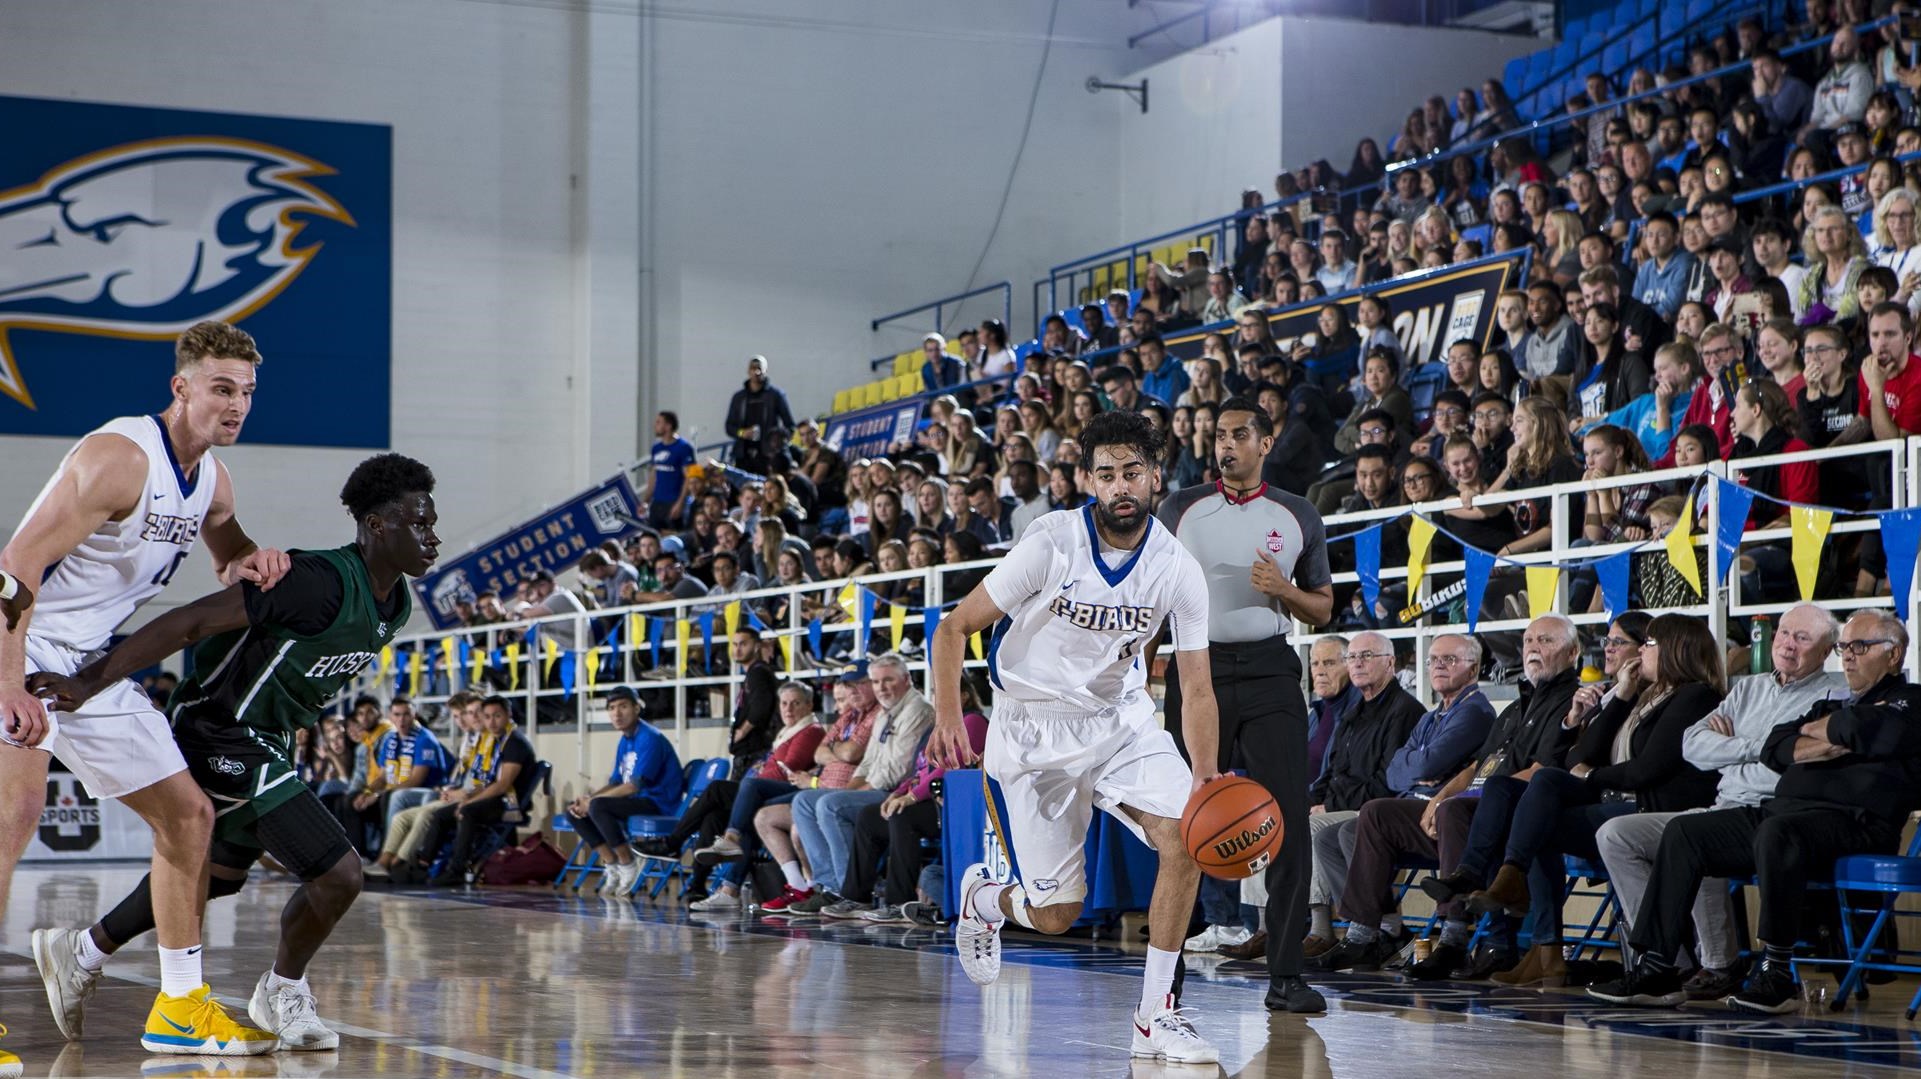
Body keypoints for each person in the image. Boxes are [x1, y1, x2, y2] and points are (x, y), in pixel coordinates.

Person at [28, 453, 439, 1053]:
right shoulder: (317, 580)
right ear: (378, 525)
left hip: (267, 739)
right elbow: (192, 622)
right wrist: (89, 681)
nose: (433, 537)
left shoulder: (395, 603)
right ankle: (281, 990)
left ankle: (83, 949)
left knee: (214, 877)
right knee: (340, 873)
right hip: (220, 732)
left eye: (432, 523)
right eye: (420, 524)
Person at [0, 320, 291, 1059]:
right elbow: (12, 571)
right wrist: (10, 685)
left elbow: (232, 554)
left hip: (90, 667)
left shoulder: (213, 482)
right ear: (181, 387)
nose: (236, 406)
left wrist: (262, 561)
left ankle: (180, 1006)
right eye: (222, 389)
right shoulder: (118, 458)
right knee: (15, 813)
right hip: (19, 644)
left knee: (189, 816)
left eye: (248, 394)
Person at [926, 409, 1228, 1064]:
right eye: (1106, 473)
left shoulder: (1176, 567)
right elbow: (953, 628)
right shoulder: (1050, 541)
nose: (1120, 485)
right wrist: (949, 716)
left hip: (1119, 719)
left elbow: (1197, 687)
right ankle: (983, 897)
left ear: (1154, 477)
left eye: (1132, 472)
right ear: (1088, 479)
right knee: (1058, 913)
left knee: (1186, 837)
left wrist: (1204, 776)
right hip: (1030, 728)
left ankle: (1155, 1017)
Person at [1593, 610, 1921, 1013]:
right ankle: (1659, 968)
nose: (1849, 656)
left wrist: (1821, 733)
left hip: (1855, 821)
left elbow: (1863, 729)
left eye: (1860, 646)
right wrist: (1818, 735)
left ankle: (1777, 972)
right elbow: (1776, 746)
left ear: (1894, 655)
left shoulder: (1910, 701)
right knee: (1686, 831)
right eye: (1845, 647)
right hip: (1782, 812)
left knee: (1778, 832)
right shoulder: (1829, 704)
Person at [1156, 396, 1335, 1013]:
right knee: (1180, 823)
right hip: (1194, 669)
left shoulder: (1299, 513)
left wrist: (1283, 589)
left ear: (1265, 442)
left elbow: (1323, 607)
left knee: (1288, 822)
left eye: (1238, 435)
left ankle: (1286, 976)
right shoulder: (1179, 507)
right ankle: (1166, 981)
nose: (1225, 445)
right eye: (1219, 435)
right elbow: (1151, 593)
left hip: (1268, 670)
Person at [1429, 614, 1723, 988]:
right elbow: (1577, 755)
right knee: (1513, 791)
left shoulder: (1692, 697)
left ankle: (1528, 917)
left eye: (1637, 644)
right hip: (1613, 799)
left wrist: (1592, 774)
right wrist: (1616, 699)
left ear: (1673, 651)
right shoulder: (1636, 694)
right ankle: (1514, 907)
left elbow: (1647, 770)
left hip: (1647, 805)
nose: (1612, 650)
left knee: (1540, 810)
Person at [1320, 615, 1582, 978]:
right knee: (1378, 813)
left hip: (1507, 816)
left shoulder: (1570, 703)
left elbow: (1545, 771)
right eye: (1528, 641)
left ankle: (1454, 940)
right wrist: (1438, 797)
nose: (1534, 648)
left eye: (1546, 641)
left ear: (1573, 652)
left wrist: (1463, 800)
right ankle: (1365, 936)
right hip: (1466, 812)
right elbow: (1474, 767)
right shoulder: (1516, 706)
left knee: (1455, 810)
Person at [1299, 632, 1424, 957]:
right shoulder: (1355, 711)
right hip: (1346, 807)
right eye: (1353, 657)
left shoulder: (1404, 710)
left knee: (1321, 831)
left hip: (1383, 809)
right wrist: (1313, 800)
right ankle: (1383, 928)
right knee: (1286, 818)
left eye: (1366, 656)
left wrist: (1328, 805)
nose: (1357, 664)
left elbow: (1389, 781)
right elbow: (1332, 771)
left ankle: (1349, 930)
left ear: (1391, 663)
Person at [561, 687, 684, 896]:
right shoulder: (625, 740)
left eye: (623, 706)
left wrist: (593, 801)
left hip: (659, 804)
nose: (617, 713)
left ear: (637, 708)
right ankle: (612, 864)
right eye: (612, 708)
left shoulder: (650, 738)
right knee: (573, 811)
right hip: (637, 801)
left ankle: (628, 864)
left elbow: (633, 786)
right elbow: (616, 782)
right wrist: (587, 799)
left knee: (598, 806)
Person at [724, 355, 796, 476]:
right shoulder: (739, 397)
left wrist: (777, 442)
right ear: (748, 371)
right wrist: (742, 433)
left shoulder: (776, 395)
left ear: (765, 371)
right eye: (753, 368)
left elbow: (790, 426)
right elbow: (729, 427)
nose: (756, 372)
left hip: (768, 455)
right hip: (743, 454)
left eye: (759, 368)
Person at [644, 411, 697, 528]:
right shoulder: (656, 448)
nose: (655, 425)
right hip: (657, 502)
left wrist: (680, 503)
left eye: (658, 422)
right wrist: (646, 500)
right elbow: (653, 475)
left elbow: (689, 478)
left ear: (668, 426)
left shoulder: (684, 447)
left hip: (674, 501)